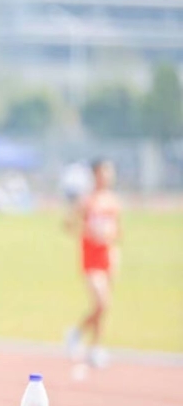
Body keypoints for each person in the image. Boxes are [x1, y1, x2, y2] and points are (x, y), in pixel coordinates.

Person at [64, 158, 121, 378]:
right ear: (95, 175)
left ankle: (94, 346)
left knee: (103, 307)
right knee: (102, 302)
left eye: (109, 172)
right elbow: (68, 225)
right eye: (103, 172)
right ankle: (77, 334)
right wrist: (87, 232)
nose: (107, 176)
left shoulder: (113, 201)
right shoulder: (86, 201)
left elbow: (117, 231)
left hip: (108, 257)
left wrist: (115, 252)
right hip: (90, 258)